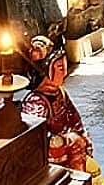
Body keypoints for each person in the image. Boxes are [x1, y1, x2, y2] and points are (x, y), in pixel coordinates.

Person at [23, 38, 92, 171]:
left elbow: (75, 119)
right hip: (49, 156)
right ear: (46, 71)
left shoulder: (60, 92)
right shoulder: (36, 103)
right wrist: (68, 141)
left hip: (68, 146)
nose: (65, 72)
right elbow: (34, 142)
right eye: (60, 68)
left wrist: (83, 136)